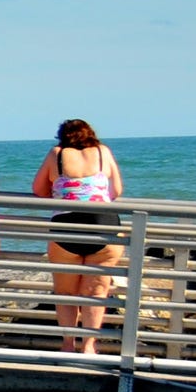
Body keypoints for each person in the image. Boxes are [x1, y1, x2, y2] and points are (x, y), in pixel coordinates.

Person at [31, 119, 129, 354]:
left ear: (62, 136)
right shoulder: (103, 152)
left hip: (67, 225)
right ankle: (89, 346)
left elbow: (38, 189)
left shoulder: (57, 154)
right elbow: (116, 191)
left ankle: (68, 345)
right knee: (96, 291)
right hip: (104, 224)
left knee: (65, 292)